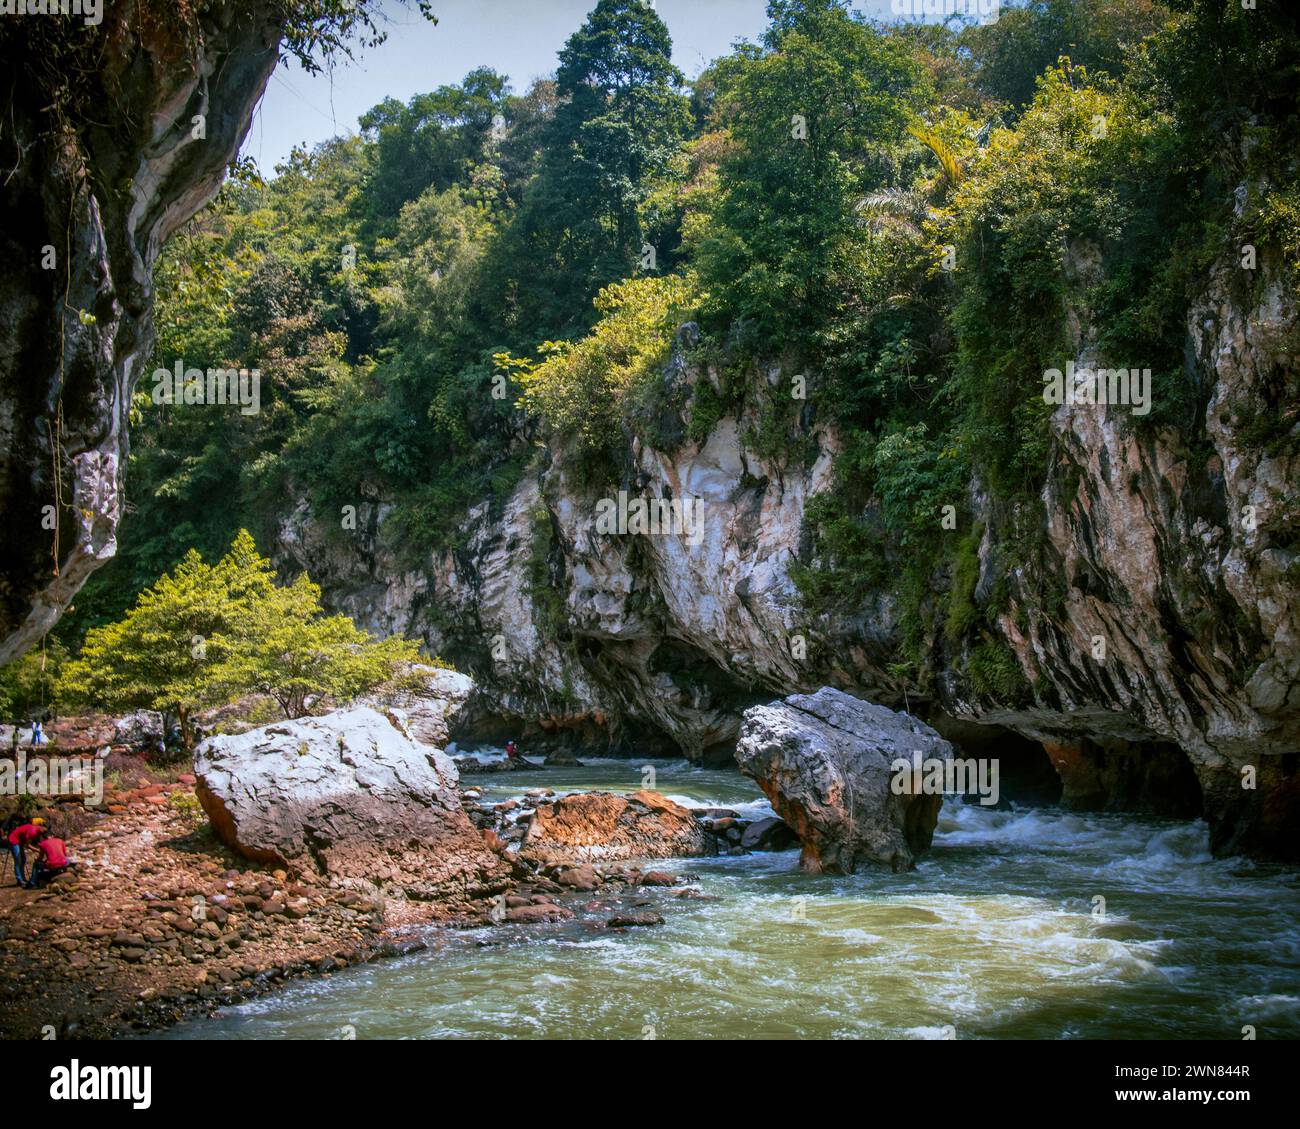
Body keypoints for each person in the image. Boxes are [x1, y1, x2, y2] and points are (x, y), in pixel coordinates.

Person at [7, 817, 45, 887]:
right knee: (18, 860)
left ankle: (23, 878)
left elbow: (37, 842)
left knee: (23, 859)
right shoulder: (33, 832)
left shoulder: (37, 831)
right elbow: (28, 845)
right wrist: (38, 850)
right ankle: (19, 879)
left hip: (20, 840)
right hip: (14, 839)